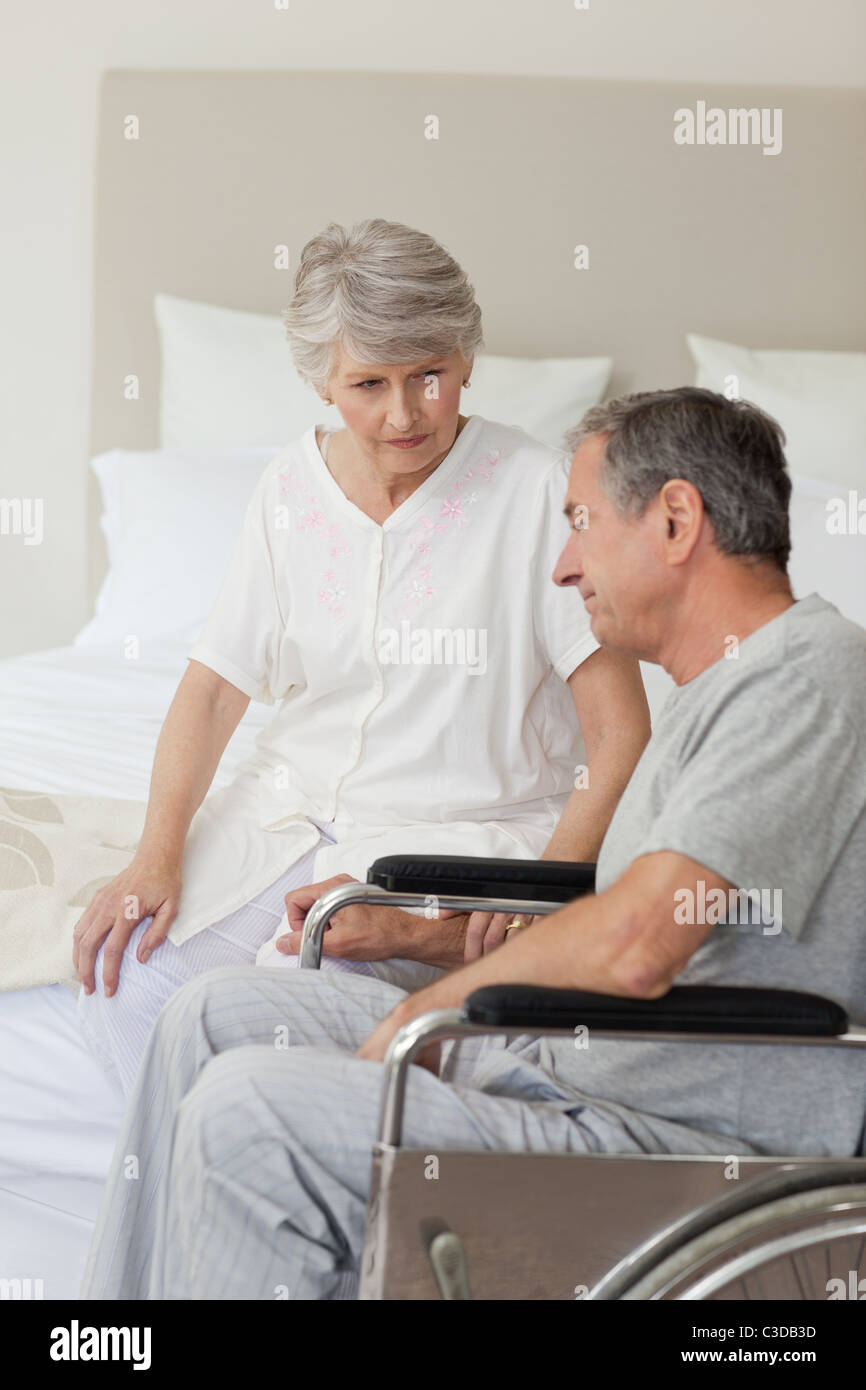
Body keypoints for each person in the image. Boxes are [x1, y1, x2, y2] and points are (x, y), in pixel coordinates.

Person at [84, 380, 866, 1303]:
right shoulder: (718, 694)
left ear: (676, 520)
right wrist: (418, 936)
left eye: (581, 522)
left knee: (251, 1113)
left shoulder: (805, 683)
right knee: (208, 1016)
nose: (564, 565)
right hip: (563, 1069)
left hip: (668, 1144)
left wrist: (424, 1014)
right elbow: (612, 913)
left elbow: (641, 937)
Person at [72, 218, 650, 1097]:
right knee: (121, 989)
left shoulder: (537, 491)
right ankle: (203, 1214)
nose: (404, 414)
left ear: (466, 357)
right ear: (320, 382)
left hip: (462, 835)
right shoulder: (288, 488)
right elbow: (213, 690)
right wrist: (156, 854)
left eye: (430, 375)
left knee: (289, 1026)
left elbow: (621, 735)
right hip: (284, 821)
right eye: (368, 384)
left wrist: (541, 895)